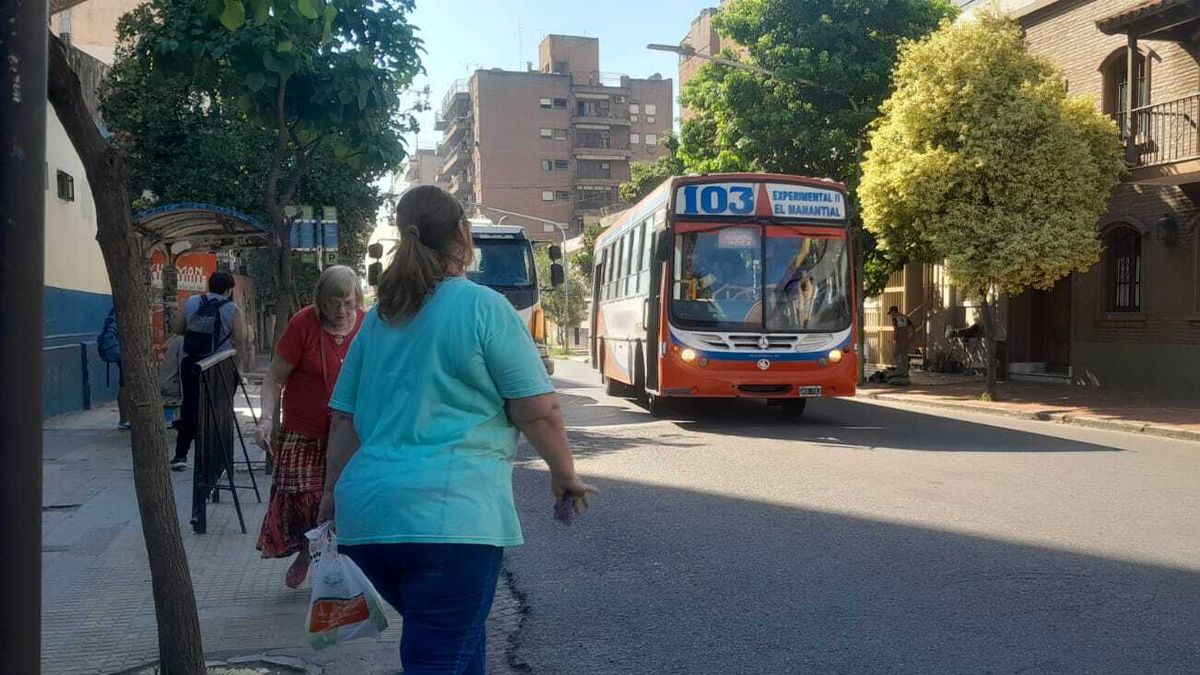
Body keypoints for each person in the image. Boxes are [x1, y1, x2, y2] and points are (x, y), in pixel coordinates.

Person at [319, 185, 598, 674]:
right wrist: (564, 474)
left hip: (368, 521)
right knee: (440, 655)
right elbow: (538, 409)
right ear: (464, 235)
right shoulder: (482, 306)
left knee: (459, 647)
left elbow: (344, 418)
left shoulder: (380, 320)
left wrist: (329, 496)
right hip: (451, 525)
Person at [255, 265, 364, 589]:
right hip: (304, 430)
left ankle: (334, 564)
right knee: (306, 499)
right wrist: (266, 419)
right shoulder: (303, 324)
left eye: (347, 302)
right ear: (320, 302)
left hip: (349, 432)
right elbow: (274, 379)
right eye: (333, 304)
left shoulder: (368, 326)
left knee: (343, 500)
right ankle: (306, 549)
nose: (342, 311)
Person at [170, 270, 248, 471]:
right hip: (218, 367)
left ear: (209, 285)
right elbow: (239, 341)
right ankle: (214, 459)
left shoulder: (192, 301)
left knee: (190, 408)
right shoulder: (233, 309)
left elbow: (177, 327)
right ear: (229, 289)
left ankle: (180, 456)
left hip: (191, 365)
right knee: (218, 411)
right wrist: (237, 370)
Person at [97, 305, 131, 429]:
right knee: (125, 383)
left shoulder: (116, 310)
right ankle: (124, 419)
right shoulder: (126, 310)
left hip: (119, 349)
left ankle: (124, 418)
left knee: (124, 383)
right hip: (123, 350)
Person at [888, 305, 915, 382]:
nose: (891, 315)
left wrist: (895, 338)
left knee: (895, 353)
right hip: (907, 338)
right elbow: (911, 327)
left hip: (900, 338)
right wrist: (910, 337)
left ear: (894, 312)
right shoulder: (905, 317)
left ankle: (900, 370)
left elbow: (896, 329)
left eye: (891, 313)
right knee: (904, 355)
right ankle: (905, 371)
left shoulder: (895, 318)